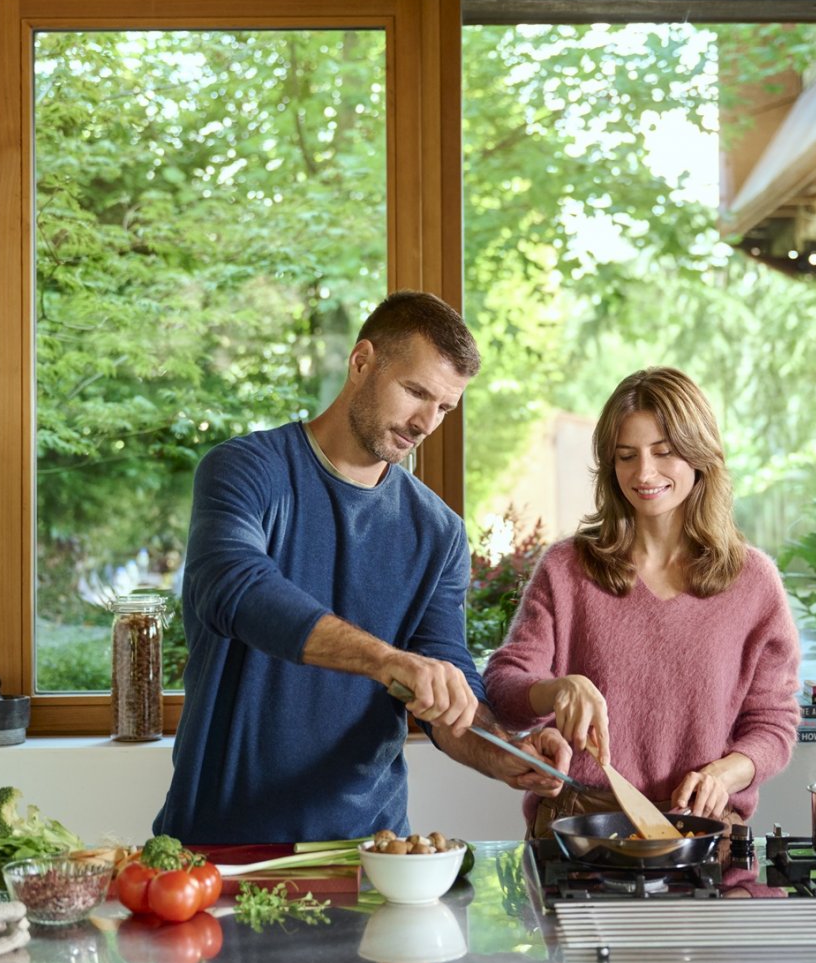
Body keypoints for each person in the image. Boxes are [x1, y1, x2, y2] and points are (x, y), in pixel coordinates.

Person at [154, 290, 570, 845]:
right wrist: (387, 661)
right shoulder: (245, 470)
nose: (426, 422)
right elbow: (234, 587)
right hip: (219, 845)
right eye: (415, 392)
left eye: (444, 408)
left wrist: (504, 751)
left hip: (374, 856)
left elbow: (446, 676)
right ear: (361, 362)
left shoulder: (439, 532)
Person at [484, 367, 800, 836]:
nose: (644, 473)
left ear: (699, 454)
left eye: (664, 452)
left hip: (702, 834)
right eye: (626, 456)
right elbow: (504, 688)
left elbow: (774, 724)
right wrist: (557, 689)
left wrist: (725, 774)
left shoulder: (752, 582)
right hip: (577, 834)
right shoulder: (567, 568)